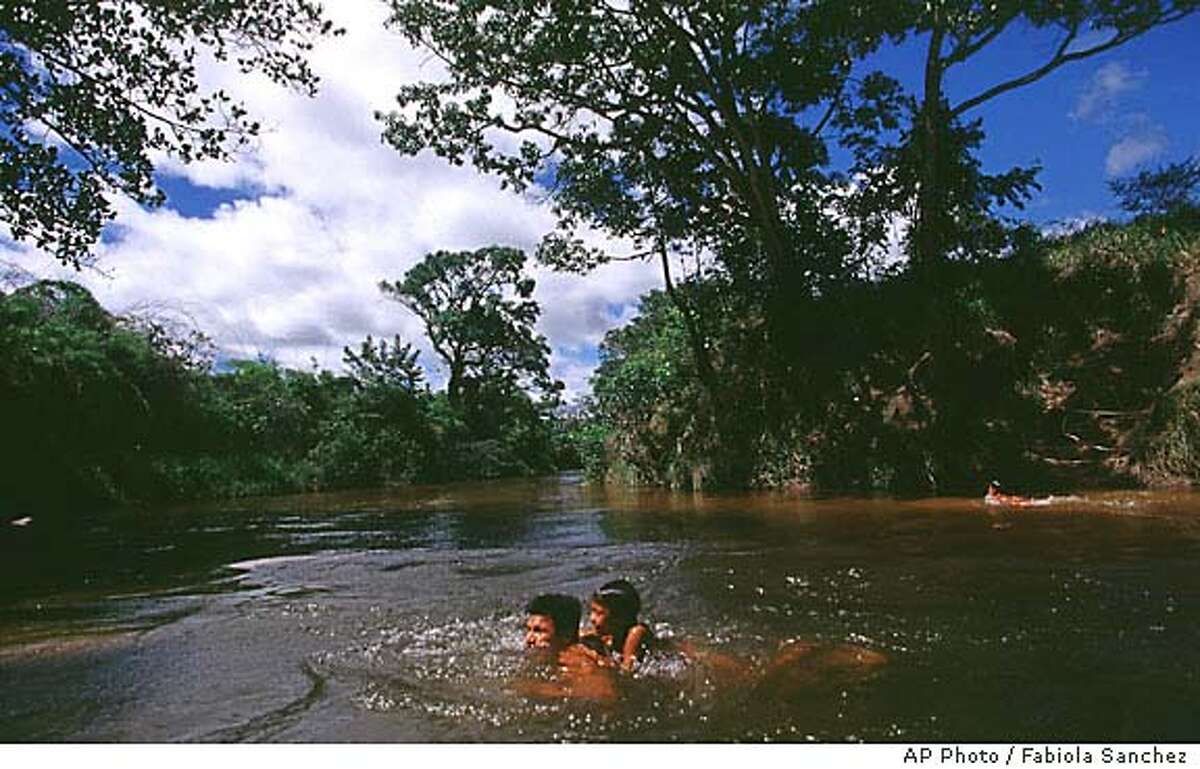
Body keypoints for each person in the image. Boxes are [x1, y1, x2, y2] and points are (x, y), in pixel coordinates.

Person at [516, 593, 617, 702]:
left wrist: (538, 689)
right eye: (528, 629)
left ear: (565, 636)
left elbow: (606, 694)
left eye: (539, 631)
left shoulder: (577, 662)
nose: (529, 639)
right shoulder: (562, 644)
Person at [583, 579, 654, 671]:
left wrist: (597, 659)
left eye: (599, 613)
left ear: (618, 617)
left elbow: (626, 670)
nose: (592, 618)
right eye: (592, 610)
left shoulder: (636, 633)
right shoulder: (610, 633)